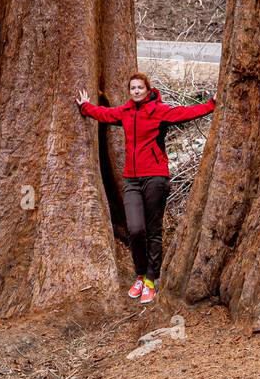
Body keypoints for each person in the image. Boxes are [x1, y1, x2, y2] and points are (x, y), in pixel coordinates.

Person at [76, 72, 216, 304]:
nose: (137, 91)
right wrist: (86, 107)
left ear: (148, 89)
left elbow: (186, 113)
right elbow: (106, 114)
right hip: (131, 179)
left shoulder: (159, 111)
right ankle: (140, 274)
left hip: (155, 178)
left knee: (153, 230)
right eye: (133, 88)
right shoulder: (126, 112)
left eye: (140, 87)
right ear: (129, 91)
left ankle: (151, 279)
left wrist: (211, 105)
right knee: (135, 229)